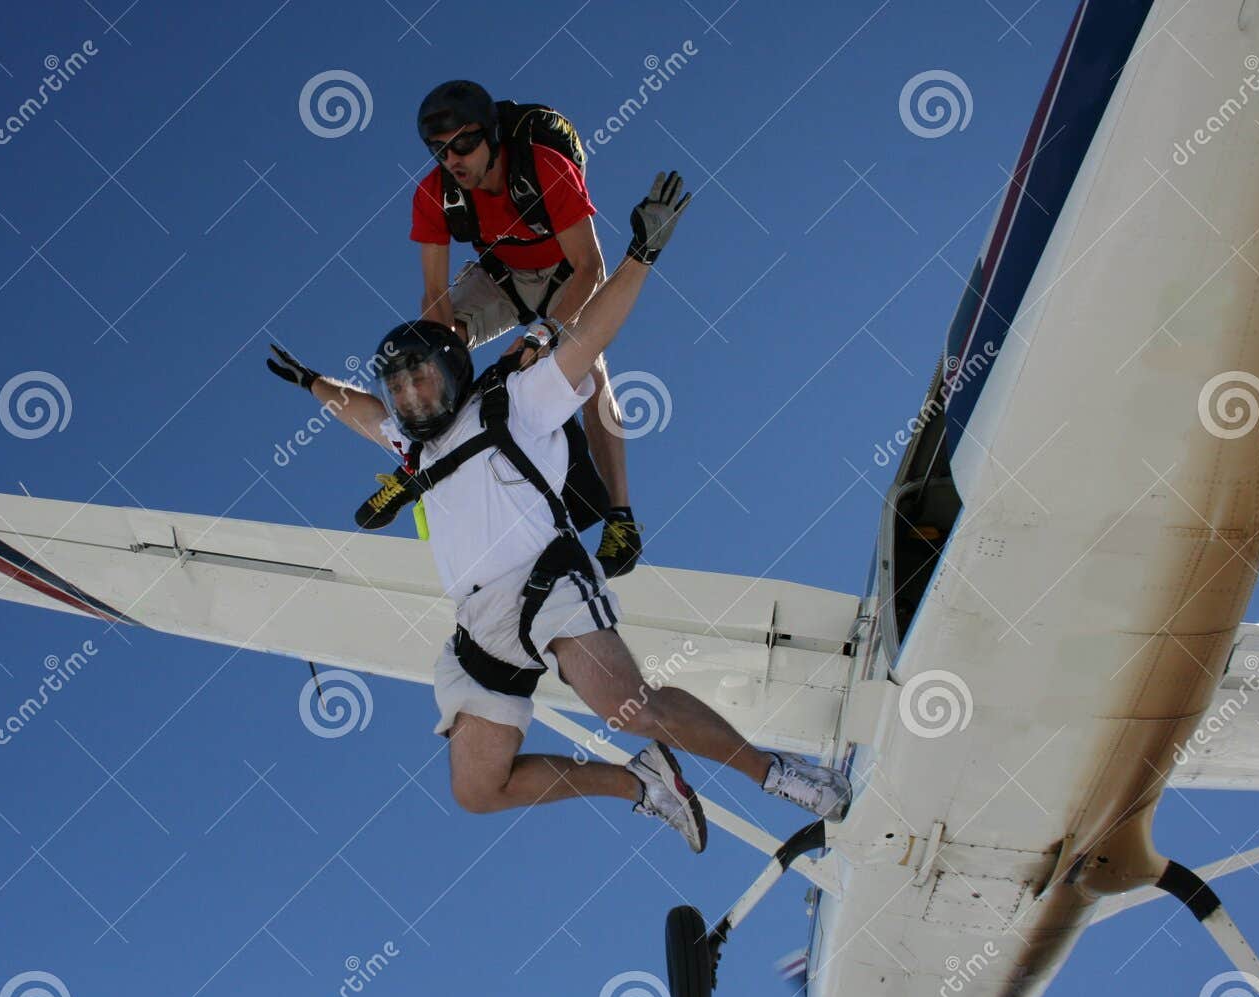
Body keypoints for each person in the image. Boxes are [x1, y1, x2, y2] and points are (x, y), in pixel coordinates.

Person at [266, 173, 851, 850]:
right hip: (479, 622)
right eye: (397, 385)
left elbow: (588, 337)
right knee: (478, 791)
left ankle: (772, 772)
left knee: (627, 705)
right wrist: (315, 382)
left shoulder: (513, 402)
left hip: (545, 581)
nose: (406, 393)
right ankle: (645, 783)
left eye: (418, 375)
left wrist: (641, 256)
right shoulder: (416, 450)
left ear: (453, 368)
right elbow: (365, 416)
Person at [360, 79, 643, 579]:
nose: (453, 160)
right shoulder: (435, 194)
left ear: (491, 133)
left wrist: (546, 335)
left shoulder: (543, 166)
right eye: (439, 151)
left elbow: (589, 267)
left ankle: (621, 518)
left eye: (464, 144)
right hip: (501, 279)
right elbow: (435, 297)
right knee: (425, 352)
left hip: (565, 277)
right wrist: (441, 363)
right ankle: (419, 462)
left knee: (588, 364)